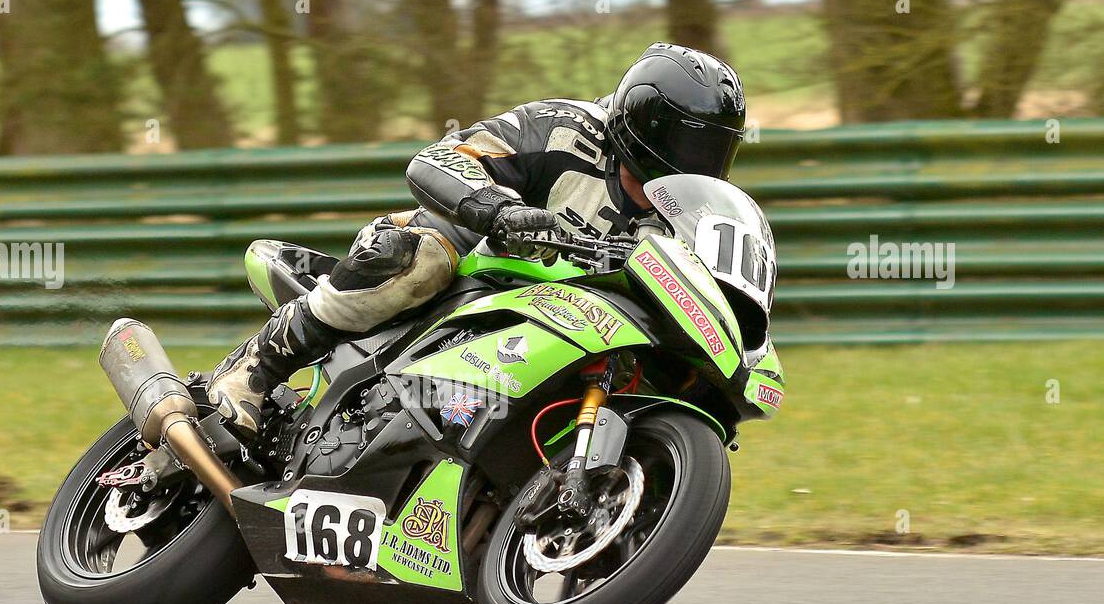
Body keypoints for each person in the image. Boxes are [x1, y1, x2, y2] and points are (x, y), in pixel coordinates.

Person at [208, 43, 748, 438]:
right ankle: (259, 366)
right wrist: (502, 211)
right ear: (642, 122)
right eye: (687, 143)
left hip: (567, 324)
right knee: (421, 261)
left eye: (714, 151)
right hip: (478, 265)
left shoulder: (692, 212)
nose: (699, 164)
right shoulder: (562, 129)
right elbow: (442, 158)